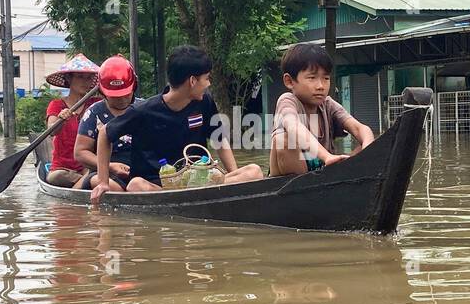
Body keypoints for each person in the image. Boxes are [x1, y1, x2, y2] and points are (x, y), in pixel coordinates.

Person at [91, 45, 263, 203]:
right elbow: (105, 134)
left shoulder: (205, 103)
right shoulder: (143, 111)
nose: (209, 84)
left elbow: (219, 139)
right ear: (193, 81)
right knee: (135, 185)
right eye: (207, 79)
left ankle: (198, 198)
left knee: (254, 171)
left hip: (201, 180)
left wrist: (232, 177)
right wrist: (103, 182)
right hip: (160, 187)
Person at [269, 43, 375, 177]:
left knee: (365, 146)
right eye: (312, 78)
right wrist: (327, 156)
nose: (320, 86)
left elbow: (361, 129)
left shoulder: (328, 104)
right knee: (283, 140)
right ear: (289, 81)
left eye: (326, 78)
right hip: (292, 177)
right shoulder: (287, 101)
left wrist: (368, 153)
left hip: (322, 172)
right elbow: (293, 126)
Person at [74, 56, 142, 190]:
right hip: (104, 174)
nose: (121, 99)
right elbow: (80, 152)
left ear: (134, 86)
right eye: (115, 97)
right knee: (107, 186)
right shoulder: (94, 113)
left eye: (125, 94)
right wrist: (110, 166)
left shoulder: (145, 109)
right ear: (102, 91)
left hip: (141, 173)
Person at [42, 54, 100, 188]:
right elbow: (52, 130)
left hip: (88, 165)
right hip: (63, 169)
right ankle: (86, 183)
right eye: (80, 77)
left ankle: (86, 182)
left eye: (89, 78)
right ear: (69, 78)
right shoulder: (57, 105)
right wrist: (61, 120)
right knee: (56, 177)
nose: (86, 82)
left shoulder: (96, 104)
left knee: (93, 173)